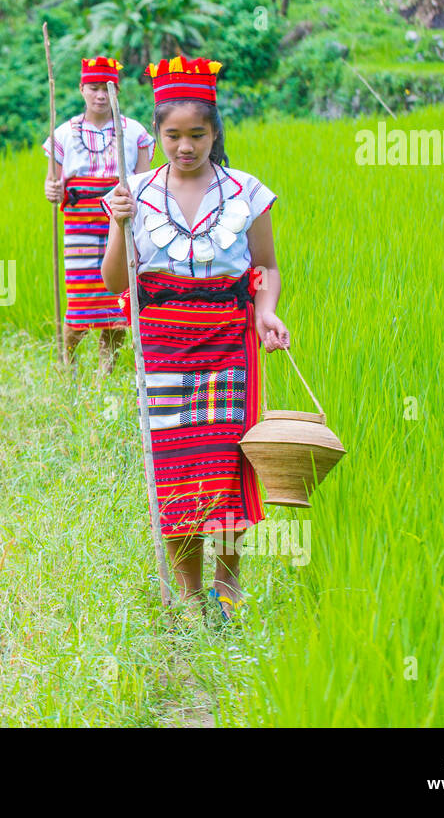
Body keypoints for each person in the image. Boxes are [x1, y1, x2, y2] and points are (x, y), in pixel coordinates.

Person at [100, 55, 290, 626]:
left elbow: (267, 268)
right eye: (173, 135)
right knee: (178, 467)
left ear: (215, 132)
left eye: (197, 135)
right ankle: (188, 595)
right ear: (155, 134)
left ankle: (228, 591)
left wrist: (267, 313)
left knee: (227, 463)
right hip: (161, 343)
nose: (185, 147)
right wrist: (117, 222)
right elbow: (114, 282)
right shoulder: (135, 193)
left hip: (229, 340)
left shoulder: (245, 191)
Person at [43, 56, 153, 376]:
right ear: (82, 90)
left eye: (108, 88)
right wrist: (53, 191)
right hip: (79, 222)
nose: (101, 95)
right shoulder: (64, 132)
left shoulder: (134, 132)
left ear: (117, 90)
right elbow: (53, 183)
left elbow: (144, 181)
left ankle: (108, 369)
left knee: (116, 295)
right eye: (94, 88)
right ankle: (68, 362)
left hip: (118, 220)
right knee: (80, 295)